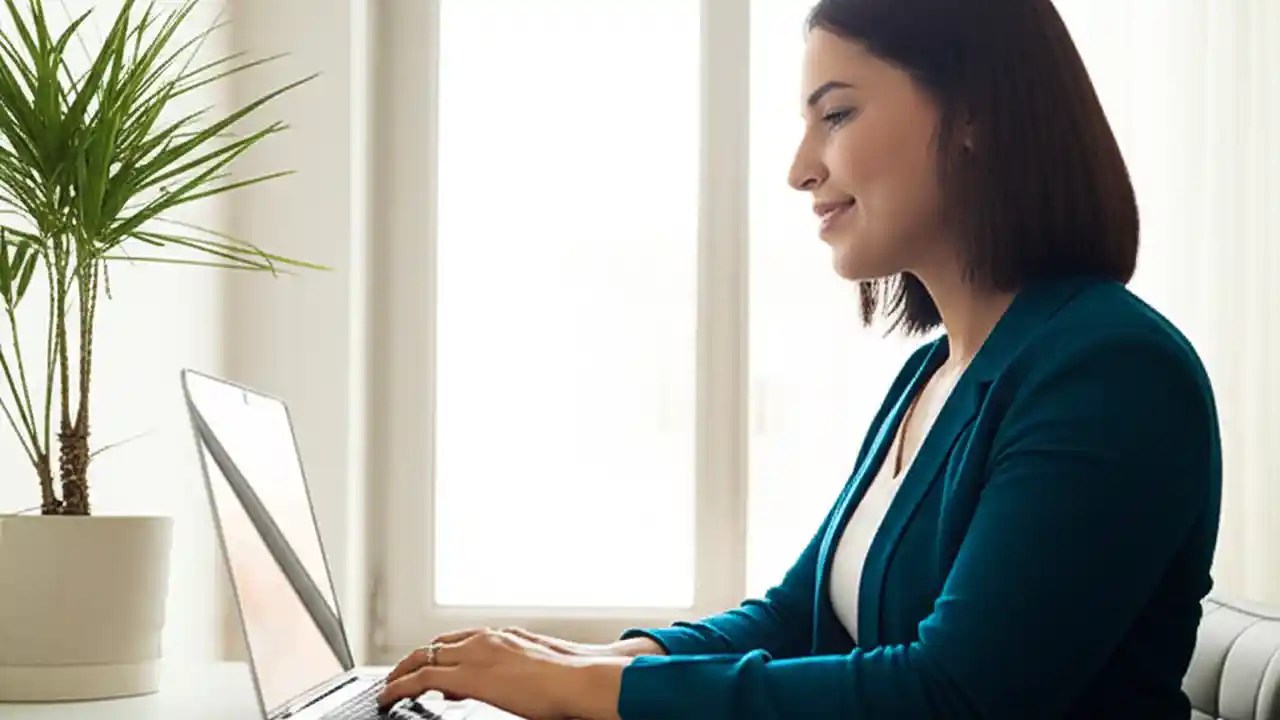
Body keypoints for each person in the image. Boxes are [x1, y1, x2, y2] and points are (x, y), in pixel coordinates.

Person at [377, 0, 1223, 717]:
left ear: (975, 115)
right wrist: (573, 661)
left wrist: (595, 689)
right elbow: (796, 616)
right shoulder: (932, 375)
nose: (798, 167)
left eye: (839, 113)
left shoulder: (1110, 371)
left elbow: (956, 694)